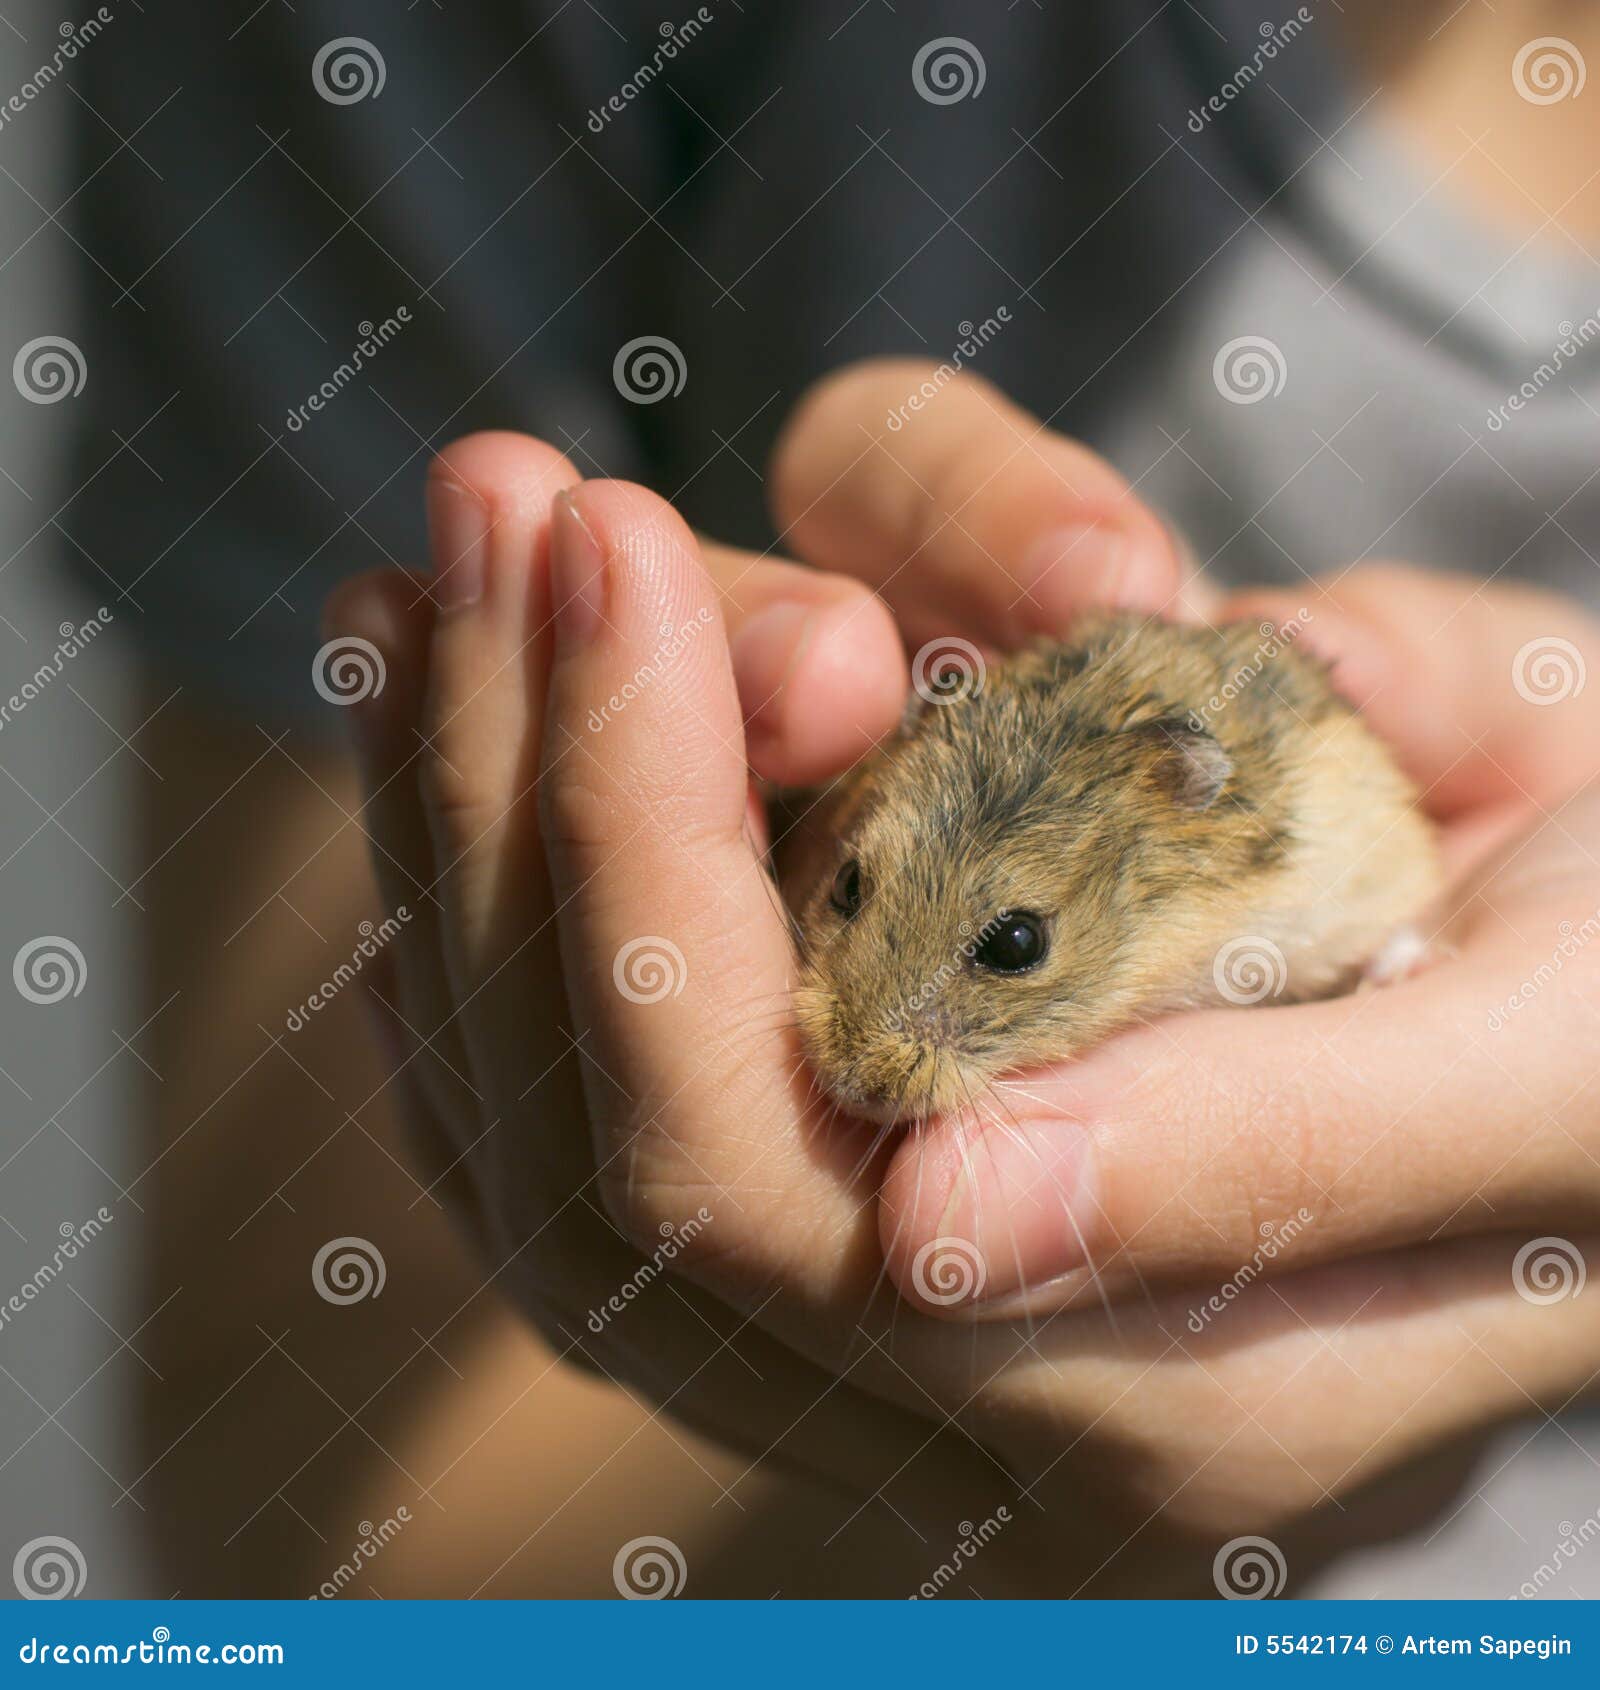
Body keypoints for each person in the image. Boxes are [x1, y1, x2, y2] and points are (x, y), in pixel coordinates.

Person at [66, 1, 1600, 1594]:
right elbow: (273, 1490)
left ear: (1204, 840)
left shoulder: (1262, 837)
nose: (861, 1042)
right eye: (855, 898)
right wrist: (1025, 1479)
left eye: (1004, 951)